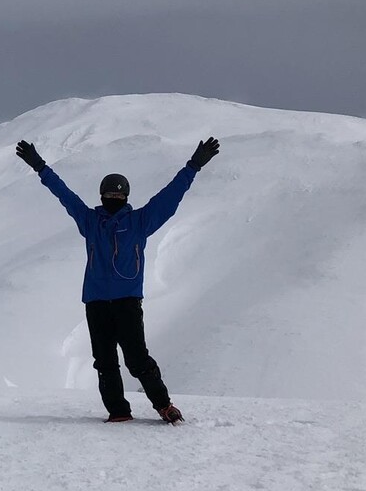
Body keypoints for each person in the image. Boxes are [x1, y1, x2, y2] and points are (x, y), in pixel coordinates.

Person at [15, 135, 220, 423]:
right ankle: (119, 412)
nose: (113, 199)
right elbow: (65, 195)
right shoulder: (90, 222)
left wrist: (193, 166)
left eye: (118, 195)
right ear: (102, 196)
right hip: (97, 303)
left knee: (137, 361)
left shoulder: (139, 222)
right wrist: (39, 167)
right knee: (105, 363)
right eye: (109, 195)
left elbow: (169, 197)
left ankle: (164, 406)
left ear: (125, 196)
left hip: (127, 302)